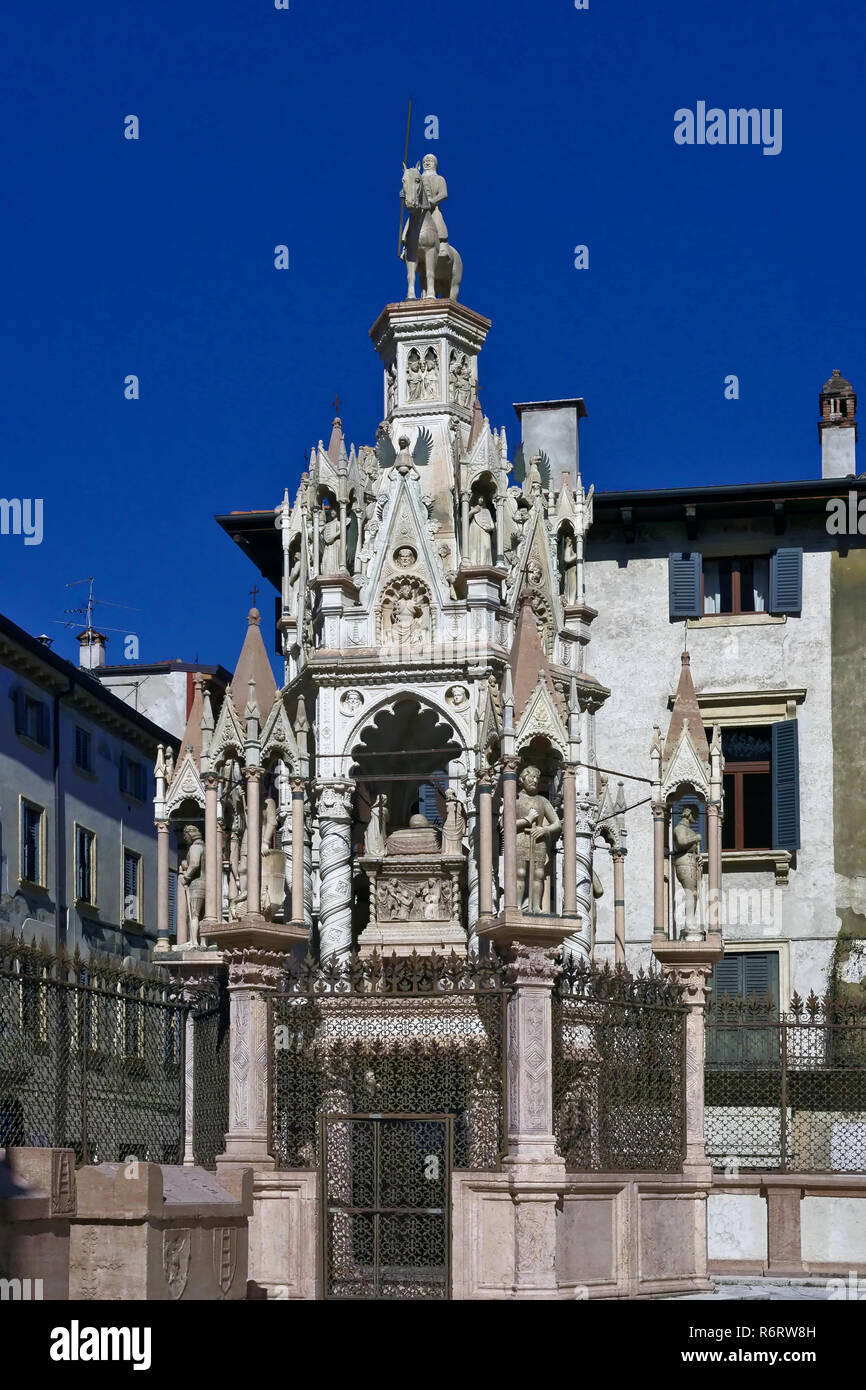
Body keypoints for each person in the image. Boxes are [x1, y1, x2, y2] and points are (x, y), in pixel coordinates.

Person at [514, 766, 561, 913]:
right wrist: (526, 820)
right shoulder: (515, 799)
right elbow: (506, 824)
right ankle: (517, 906)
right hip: (521, 839)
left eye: (536, 778)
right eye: (531, 777)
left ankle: (536, 907)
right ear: (522, 779)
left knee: (538, 874)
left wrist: (545, 829)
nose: (534, 780)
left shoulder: (542, 801)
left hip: (539, 840)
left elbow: (557, 823)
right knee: (520, 873)